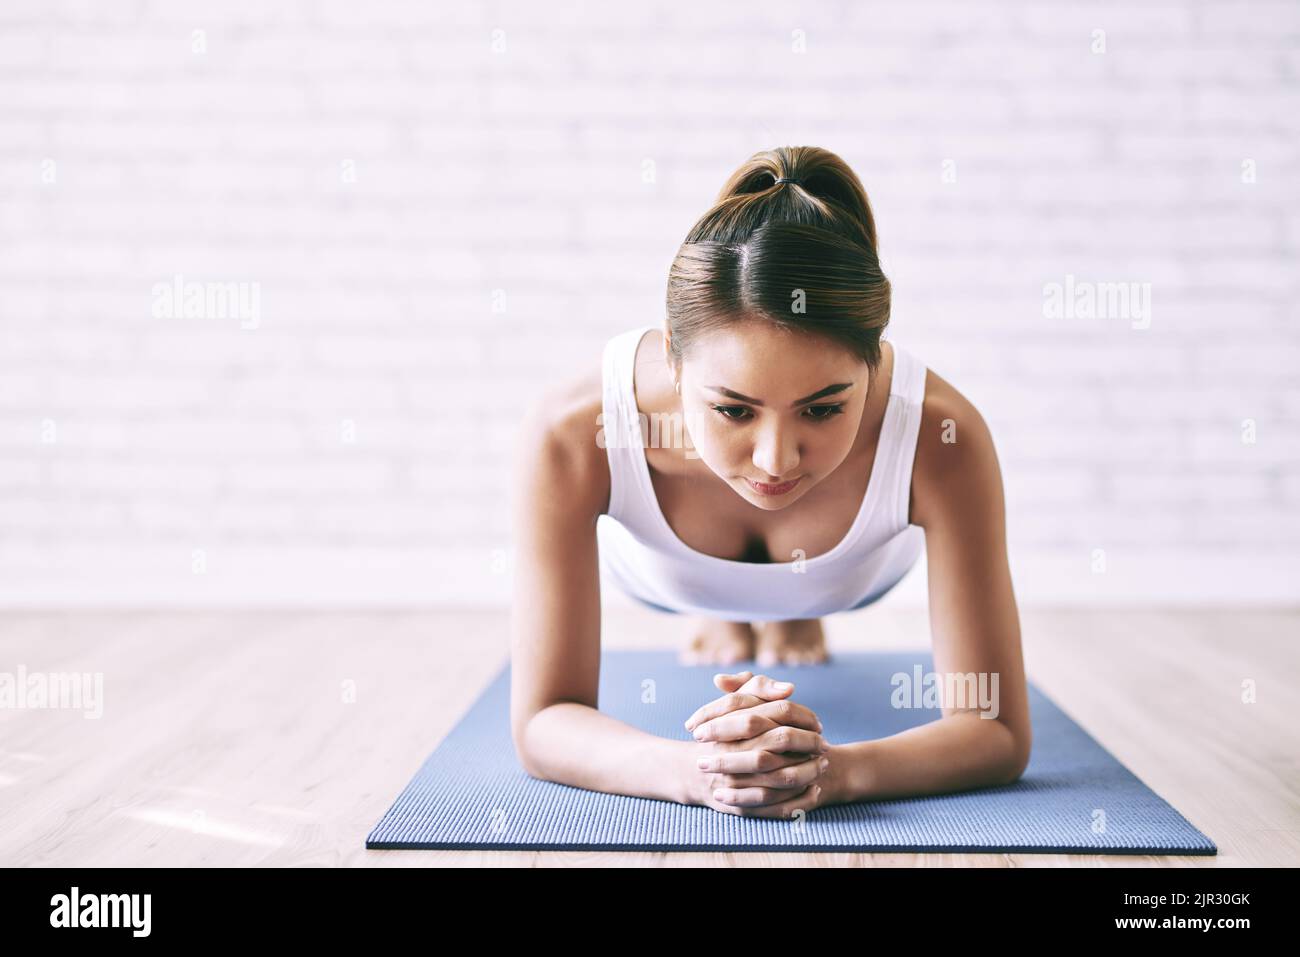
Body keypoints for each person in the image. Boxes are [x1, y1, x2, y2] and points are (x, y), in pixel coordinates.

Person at [509, 146, 1031, 818]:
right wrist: (702, 769)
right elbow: (542, 718)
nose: (776, 461)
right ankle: (726, 603)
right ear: (672, 357)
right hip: (664, 570)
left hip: (850, 570)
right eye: (732, 409)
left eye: (822, 407)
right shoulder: (573, 431)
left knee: (791, 592)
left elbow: (997, 730)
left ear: (874, 362)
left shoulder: (941, 434)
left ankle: (788, 608)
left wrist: (830, 771)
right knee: (721, 594)